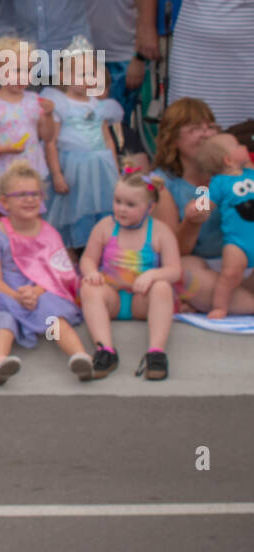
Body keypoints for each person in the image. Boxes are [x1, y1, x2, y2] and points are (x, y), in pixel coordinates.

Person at [0, 161, 92, 385]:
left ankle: (78, 356)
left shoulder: (49, 233)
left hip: (41, 289)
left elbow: (58, 274)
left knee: (53, 319)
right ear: (4, 202)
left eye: (34, 194)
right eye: (21, 194)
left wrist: (36, 292)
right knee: (4, 320)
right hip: (4, 290)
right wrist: (17, 296)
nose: (29, 199)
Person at [147, 99, 254, 313]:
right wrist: (191, 223)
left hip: (242, 262)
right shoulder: (163, 184)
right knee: (184, 269)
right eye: (196, 128)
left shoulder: (235, 173)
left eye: (210, 127)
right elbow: (173, 251)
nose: (206, 134)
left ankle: (228, 301)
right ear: (173, 139)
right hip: (202, 266)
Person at [79, 171, 181, 380]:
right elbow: (87, 258)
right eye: (117, 201)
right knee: (88, 288)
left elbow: (174, 270)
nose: (121, 209)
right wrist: (91, 272)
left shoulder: (160, 231)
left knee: (162, 287)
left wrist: (153, 274)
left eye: (130, 204)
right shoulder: (105, 227)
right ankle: (105, 350)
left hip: (142, 301)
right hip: (112, 300)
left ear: (150, 208)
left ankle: (156, 353)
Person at [42, 39, 122, 248]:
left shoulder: (99, 104)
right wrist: (57, 174)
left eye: (91, 74)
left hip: (100, 166)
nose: (87, 80)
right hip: (73, 167)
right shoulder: (60, 104)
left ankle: (100, 247)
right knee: (77, 208)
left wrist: (115, 169)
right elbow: (51, 142)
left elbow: (107, 138)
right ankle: (79, 249)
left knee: (102, 208)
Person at [0, 35, 55, 214]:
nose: (22, 77)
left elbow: (47, 136)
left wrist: (48, 115)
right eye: (16, 71)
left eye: (27, 70)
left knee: (32, 213)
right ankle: (4, 242)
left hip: (30, 170)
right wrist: (5, 149)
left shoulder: (35, 101)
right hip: (3, 171)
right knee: (5, 214)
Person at [193, 133, 254, 319]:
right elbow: (205, 205)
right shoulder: (219, 183)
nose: (244, 146)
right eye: (237, 145)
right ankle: (220, 306)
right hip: (237, 243)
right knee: (229, 275)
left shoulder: (250, 173)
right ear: (228, 160)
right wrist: (198, 209)